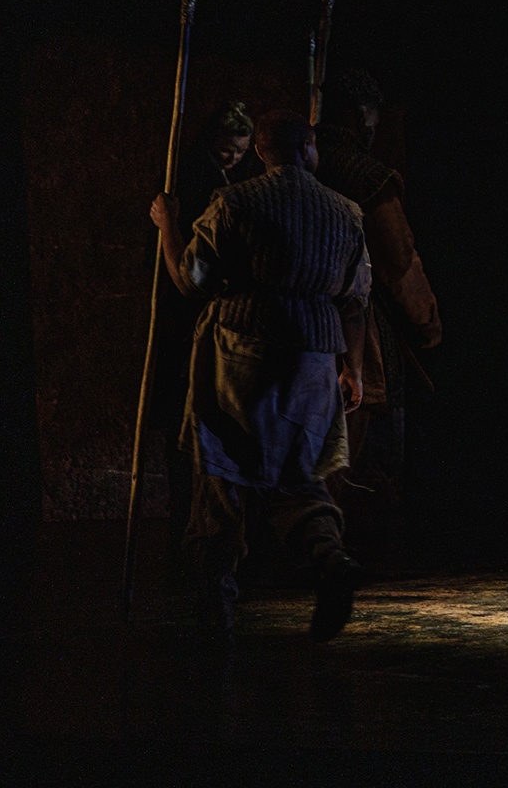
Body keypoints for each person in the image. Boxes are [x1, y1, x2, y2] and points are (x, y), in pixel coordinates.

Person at [150, 109, 370, 641]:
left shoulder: (235, 203)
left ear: (260, 152)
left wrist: (168, 225)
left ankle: (214, 605)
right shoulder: (345, 212)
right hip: (316, 356)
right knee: (302, 475)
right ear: (309, 149)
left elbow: (191, 278)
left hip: (241, 352)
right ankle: (328, 556)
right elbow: (356, 299)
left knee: (224, 475)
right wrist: (354, 369)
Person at [312, 69, 440, 546]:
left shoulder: (302, 164)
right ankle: (338, 547)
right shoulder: (361, 175)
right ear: (361, 118)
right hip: (352, 329)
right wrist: (426, 322)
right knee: (350, 443)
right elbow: (398, 258)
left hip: (297, 328)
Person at [147, 101, 259, 553]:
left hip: (223, 316)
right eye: (227, 149)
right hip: (188, 313)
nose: (233, 157)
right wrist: (168, 223)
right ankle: (186, 526)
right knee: (183, 420)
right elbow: (188, 274)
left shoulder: (245, 185)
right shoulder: (191, 178)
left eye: (241, 151)